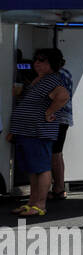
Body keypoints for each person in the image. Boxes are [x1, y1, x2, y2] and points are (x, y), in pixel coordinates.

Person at [5, 49, 71, 217]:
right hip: (28, 132)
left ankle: (40, 204)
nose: (37, 63)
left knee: (41, 168)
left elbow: (63, 96)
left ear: (52, 64)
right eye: (36, 60)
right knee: (33, 170)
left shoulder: (52, 80)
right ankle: (31, 203)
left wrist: (49, 111)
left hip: (39, 132)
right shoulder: (40, 79)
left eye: (42, 61)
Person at [49, 59, 75, 201]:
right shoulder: (66, 73)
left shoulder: (57, 76)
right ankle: (59, 187)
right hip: (63, 117)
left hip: (57, 117)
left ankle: (58, 188)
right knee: (57, 153)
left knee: (54, 153)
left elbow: (58, 96)